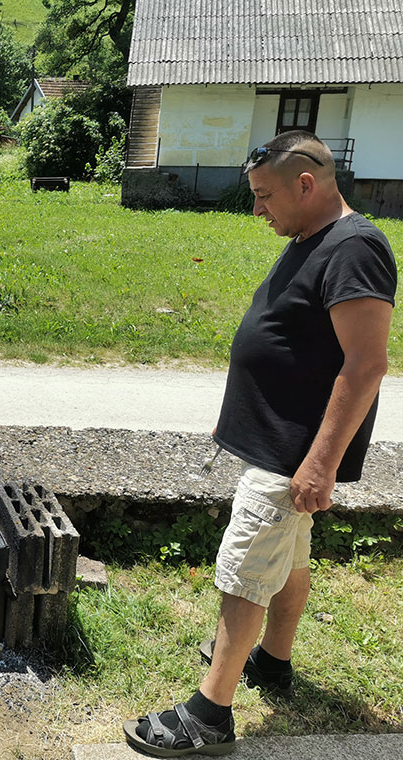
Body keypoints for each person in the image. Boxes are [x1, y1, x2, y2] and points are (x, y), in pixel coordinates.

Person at [124, 131, 396, 756]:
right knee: (289, 559)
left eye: (264, 196)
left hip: (292, 454)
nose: (256, 210)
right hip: (284, 448)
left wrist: (320, 463)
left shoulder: (355, 247)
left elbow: (366, 366)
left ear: (307, 184)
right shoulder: (312, 238)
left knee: (244, 568)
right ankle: (272, 660)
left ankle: (209, 715)